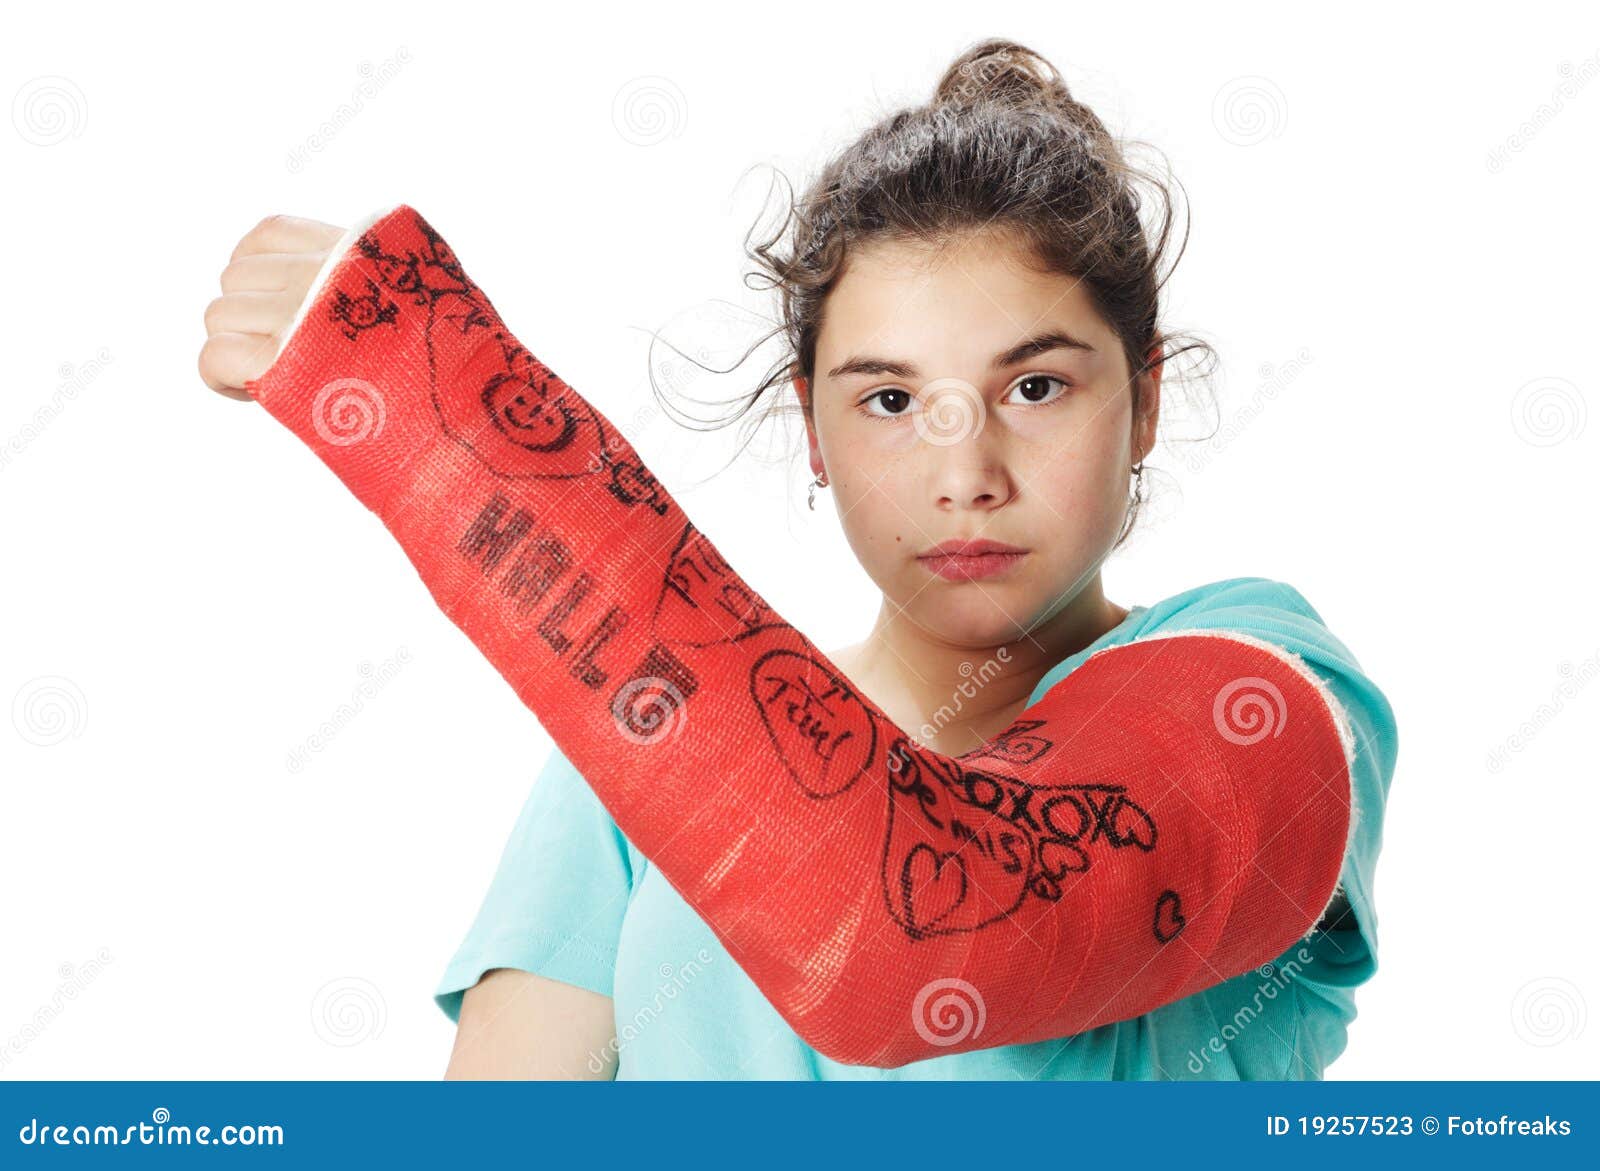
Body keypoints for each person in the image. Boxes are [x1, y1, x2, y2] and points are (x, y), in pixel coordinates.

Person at [198, 37, 1397, 1080]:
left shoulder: (1264, 683)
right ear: (808, 427)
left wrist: (424, 395)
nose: (963, 466)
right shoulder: (633, 744)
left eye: (1034, 386)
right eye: (886, 399)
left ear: (1142, 403)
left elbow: (919, 932)